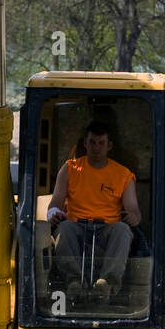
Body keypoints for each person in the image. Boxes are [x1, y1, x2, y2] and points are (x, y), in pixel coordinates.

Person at [46, 121, 141, 302]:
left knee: (123, 231)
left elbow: (134, 210)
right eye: (92, 142)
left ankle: (106, 284)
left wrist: (133, 217)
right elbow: (54, 204)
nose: (96, 148)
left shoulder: (123, 175)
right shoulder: (70, 169)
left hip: (107, 228)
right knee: (64, 230)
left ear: (109, 146)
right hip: (77, 226)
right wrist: (54, 215)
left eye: (101, 143)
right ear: (85, 144)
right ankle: (73, 282)